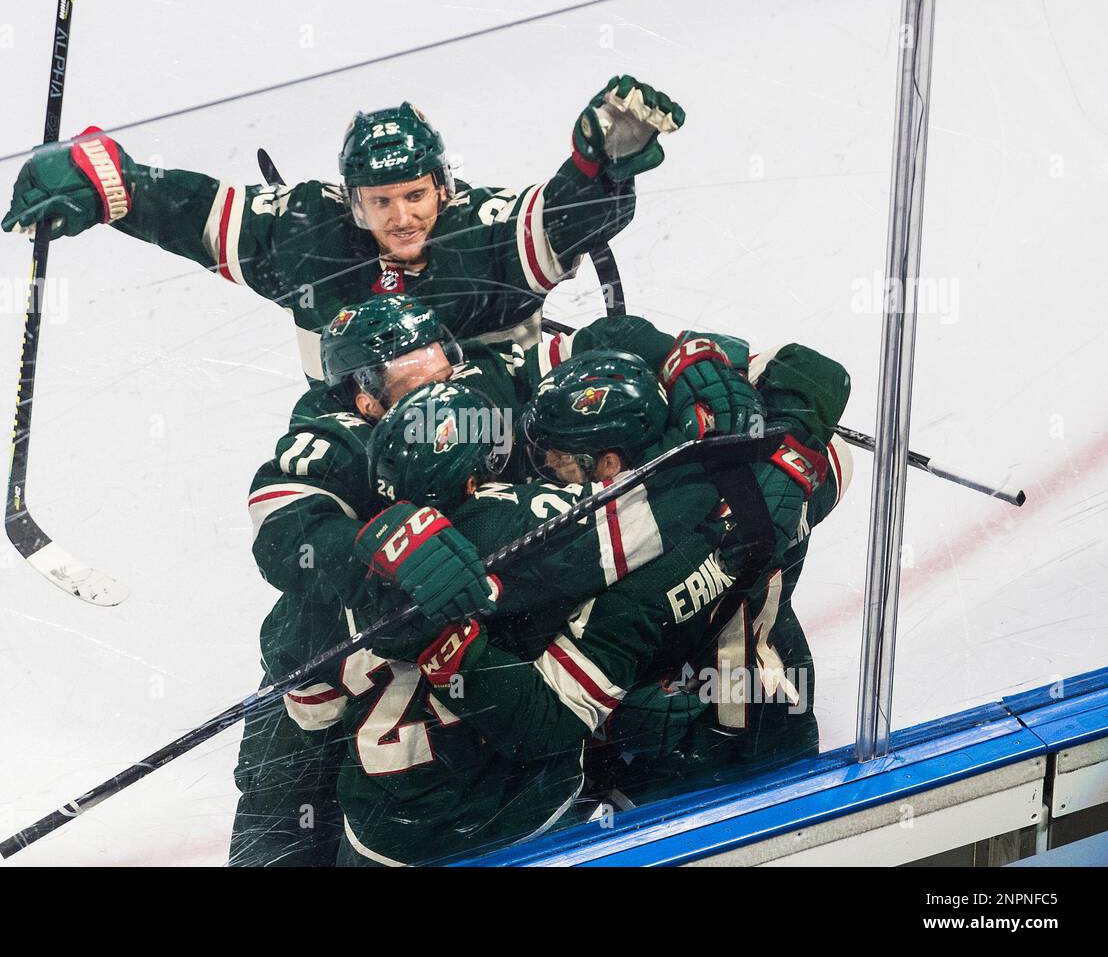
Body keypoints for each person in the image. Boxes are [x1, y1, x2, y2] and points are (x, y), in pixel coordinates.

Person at [231, 296, 761, 865]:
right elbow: (284, 532)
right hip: (376, 629)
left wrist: (685, 361)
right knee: (283, 800)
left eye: (447, 369)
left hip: (432, 661)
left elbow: (604, 343)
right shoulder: (332, 435)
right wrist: (377, 552)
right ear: (365, 403)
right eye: (419, 387)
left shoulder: (474, 380)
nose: (449, 396)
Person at [0, 77, 686, 380]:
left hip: (506, 436)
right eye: (380, 201)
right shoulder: (309, 232)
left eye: (416, 195)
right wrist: (105, 179)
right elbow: (194, 212)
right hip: (370, 452)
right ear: (352, 202)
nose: (402, 216)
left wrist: (599, 167)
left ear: (444, 187)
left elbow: (562, 217)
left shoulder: (482, 227)